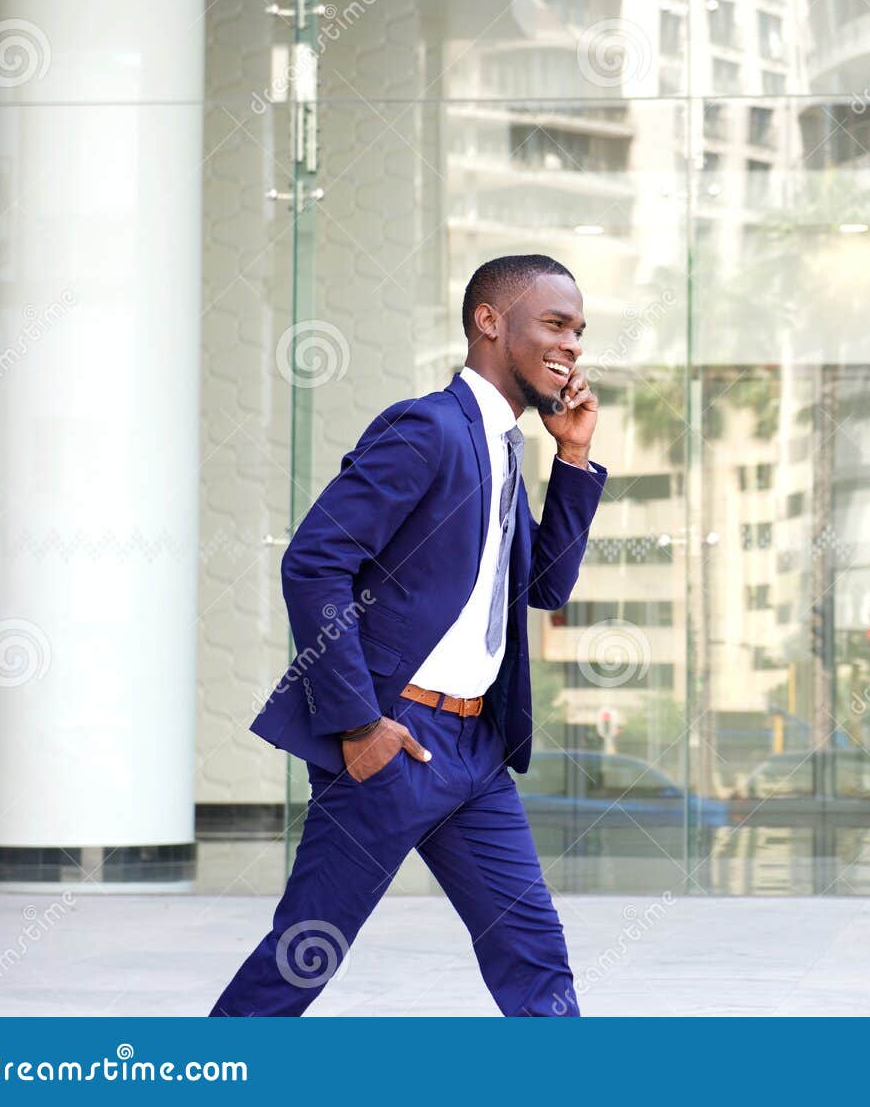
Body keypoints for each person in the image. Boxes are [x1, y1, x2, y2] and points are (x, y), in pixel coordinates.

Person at [211, 254, 604, 1016]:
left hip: (476, 750)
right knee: (302, 956)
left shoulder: (504, 451)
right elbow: (314, 560)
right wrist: (360, 723)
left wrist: (576, 458)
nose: (573, 345)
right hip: (396, 739)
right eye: (555, 324)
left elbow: (546, 588)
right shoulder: (429, 429)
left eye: (579, 331)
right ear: (489, 321)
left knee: (535, 958)